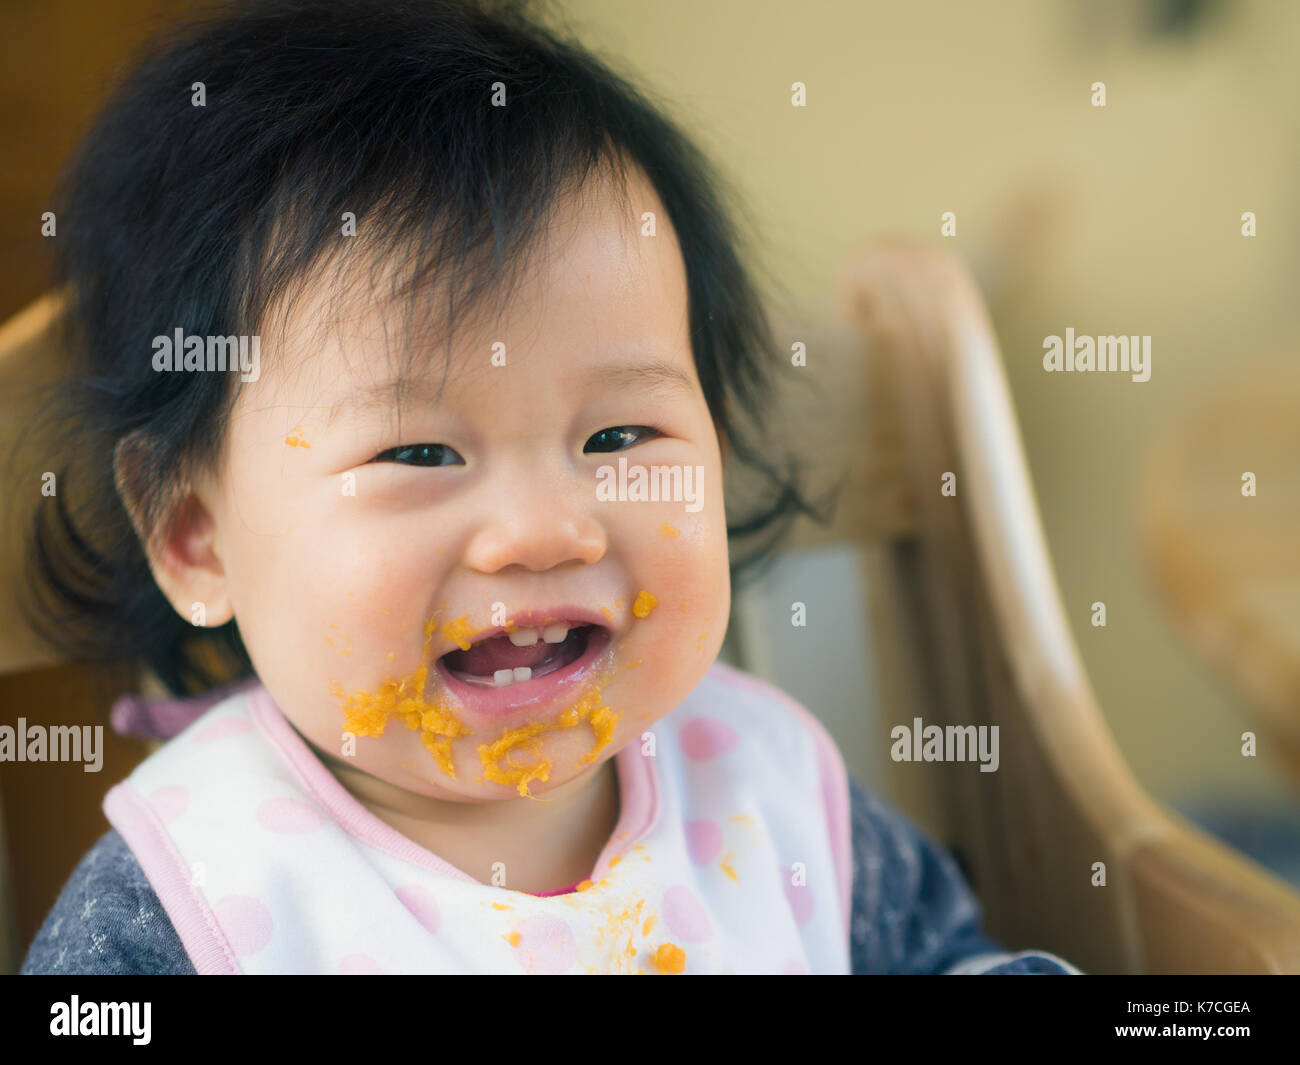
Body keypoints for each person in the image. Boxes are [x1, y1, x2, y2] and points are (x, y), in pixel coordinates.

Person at [19, 0, 1078, 974]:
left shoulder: (760, 786)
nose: (542, 531)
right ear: (197, 536)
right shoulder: (180, 904)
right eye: (420, 454)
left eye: (620, 434)